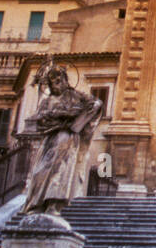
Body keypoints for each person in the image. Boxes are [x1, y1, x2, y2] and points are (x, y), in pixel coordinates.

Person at [21, 61, 103, 217]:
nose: (57, 83)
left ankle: (53, 205)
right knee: (40, 172)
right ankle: (35, 205)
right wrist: (57, 115)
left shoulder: (76, 96)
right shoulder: (46, 101)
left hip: (67, 139)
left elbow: (96, 104)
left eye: (60, 79)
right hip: (49, 141)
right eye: (54, 81)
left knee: (61, 172)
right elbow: (40, 119)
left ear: (66, 80)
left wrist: (78, 118)